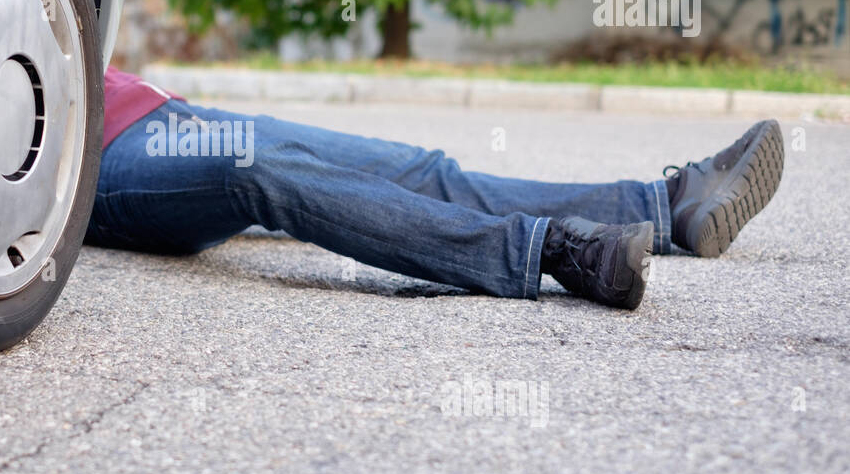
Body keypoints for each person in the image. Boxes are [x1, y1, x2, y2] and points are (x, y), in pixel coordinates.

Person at [85, 67, 785, 310]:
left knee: (420, 168)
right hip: (96, 160)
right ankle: (553, 253)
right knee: (260, 172)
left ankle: (669, 208)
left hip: (159, 109)